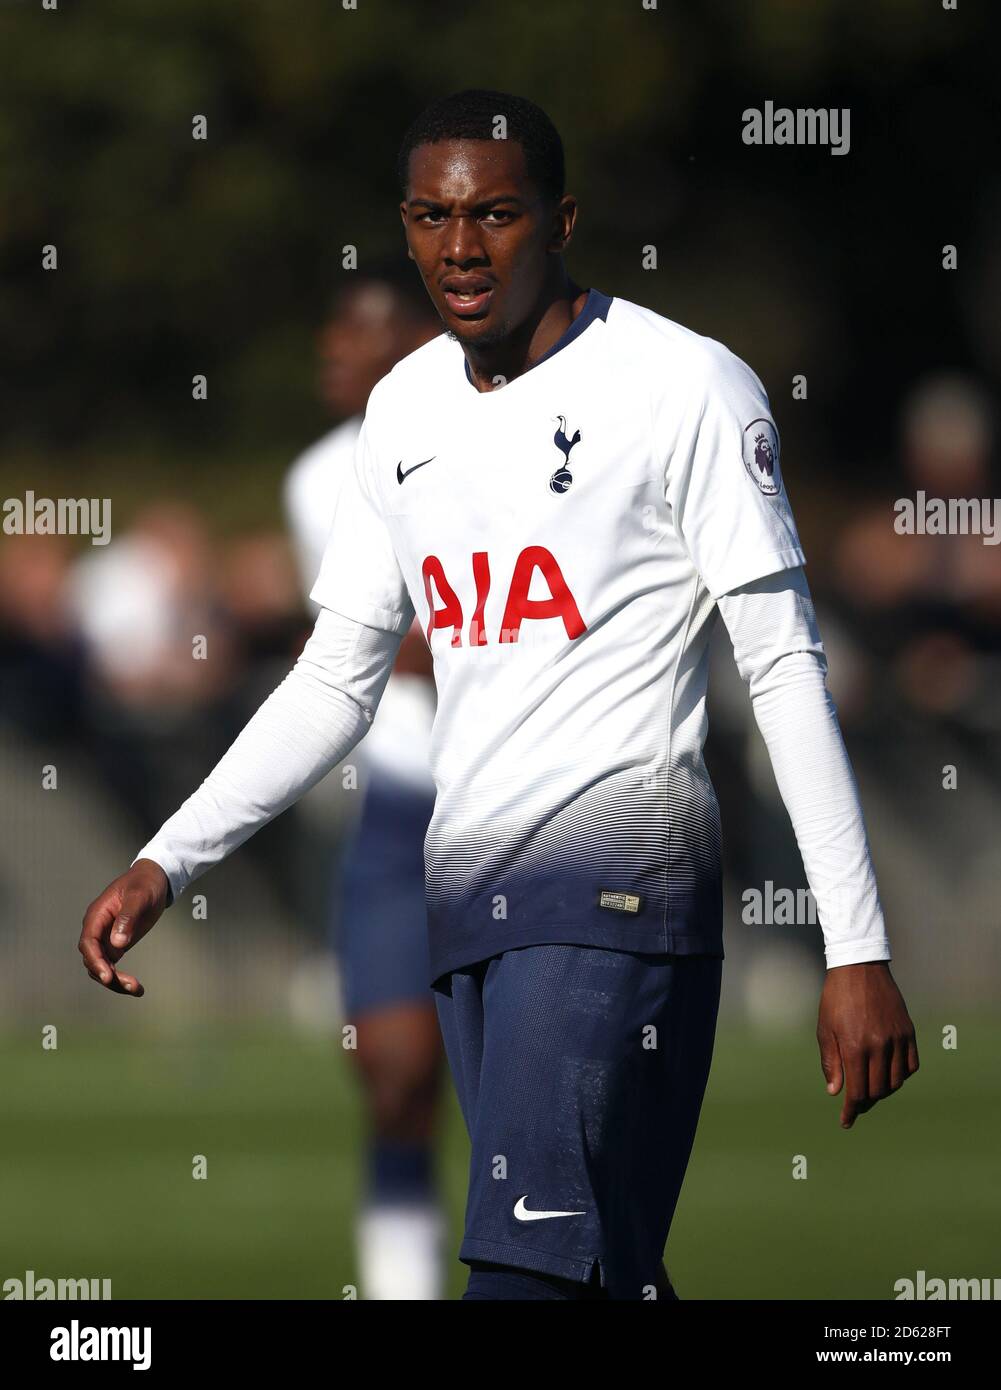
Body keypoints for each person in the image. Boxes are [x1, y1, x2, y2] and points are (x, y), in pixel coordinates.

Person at [80, 88, 919, 1301]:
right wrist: (169, 859)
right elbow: (335, 677)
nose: (459, 249)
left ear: (560, 217)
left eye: (495, 215)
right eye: (430, 217)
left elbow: (782, 662)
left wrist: (855, 946)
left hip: (612, 907)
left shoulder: (686, 385)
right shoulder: (404, 410)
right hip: (465, 910)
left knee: (519, 1283)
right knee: (603, 1281)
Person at [283, 268, 444, 1299]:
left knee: (556, 1101)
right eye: (333, 331)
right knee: (392, 1075)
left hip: (523, 805)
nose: (336, 352)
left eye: (364, 333)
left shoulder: (495, 439)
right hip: (396, 802)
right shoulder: (315, 478)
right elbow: (371, 646)